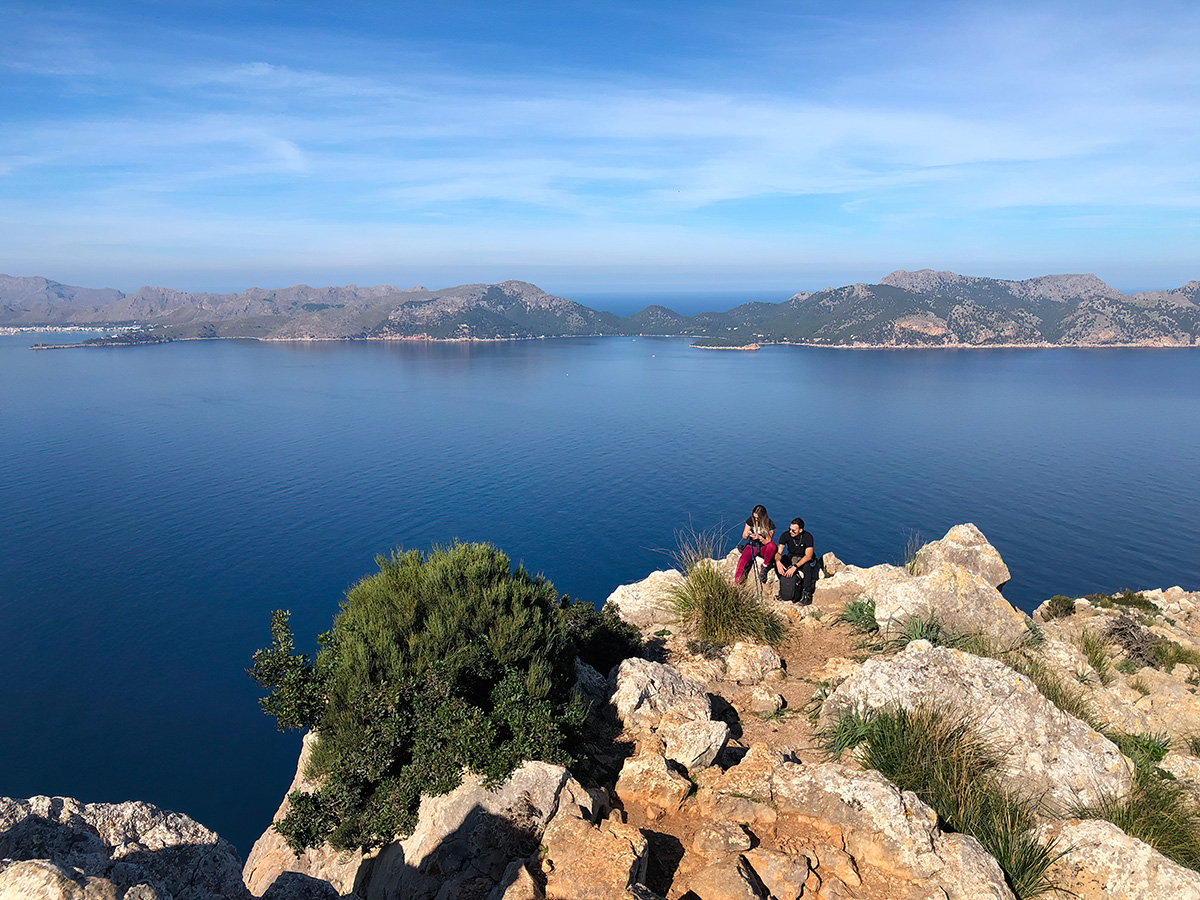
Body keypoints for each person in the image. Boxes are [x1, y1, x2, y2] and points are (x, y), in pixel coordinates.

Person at [775, 517, 818, 604]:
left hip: (804, 558)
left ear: (800, 530)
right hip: (792, 556)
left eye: (793, 530)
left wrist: (795, 567)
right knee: (779, 563)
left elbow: (808, 556)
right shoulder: (785, 535)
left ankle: (807, 593)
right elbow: (778, 552)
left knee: (807, 568)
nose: (791, 532)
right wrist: (778, 562)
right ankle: (785, 588)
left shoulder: (807, 537)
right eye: (790, 529)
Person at [735, 504, 776, 585]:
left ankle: (765, 566)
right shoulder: (751, 520)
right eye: (755, 517)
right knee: (742, 560)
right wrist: (747, 534)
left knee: (772, 546)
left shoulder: (769, 523)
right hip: (753, 545)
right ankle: (737, 582)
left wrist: (760, 537)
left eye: (758, 518)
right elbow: (744, 536)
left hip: (763, 546)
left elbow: (768, 541)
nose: (756, 519)